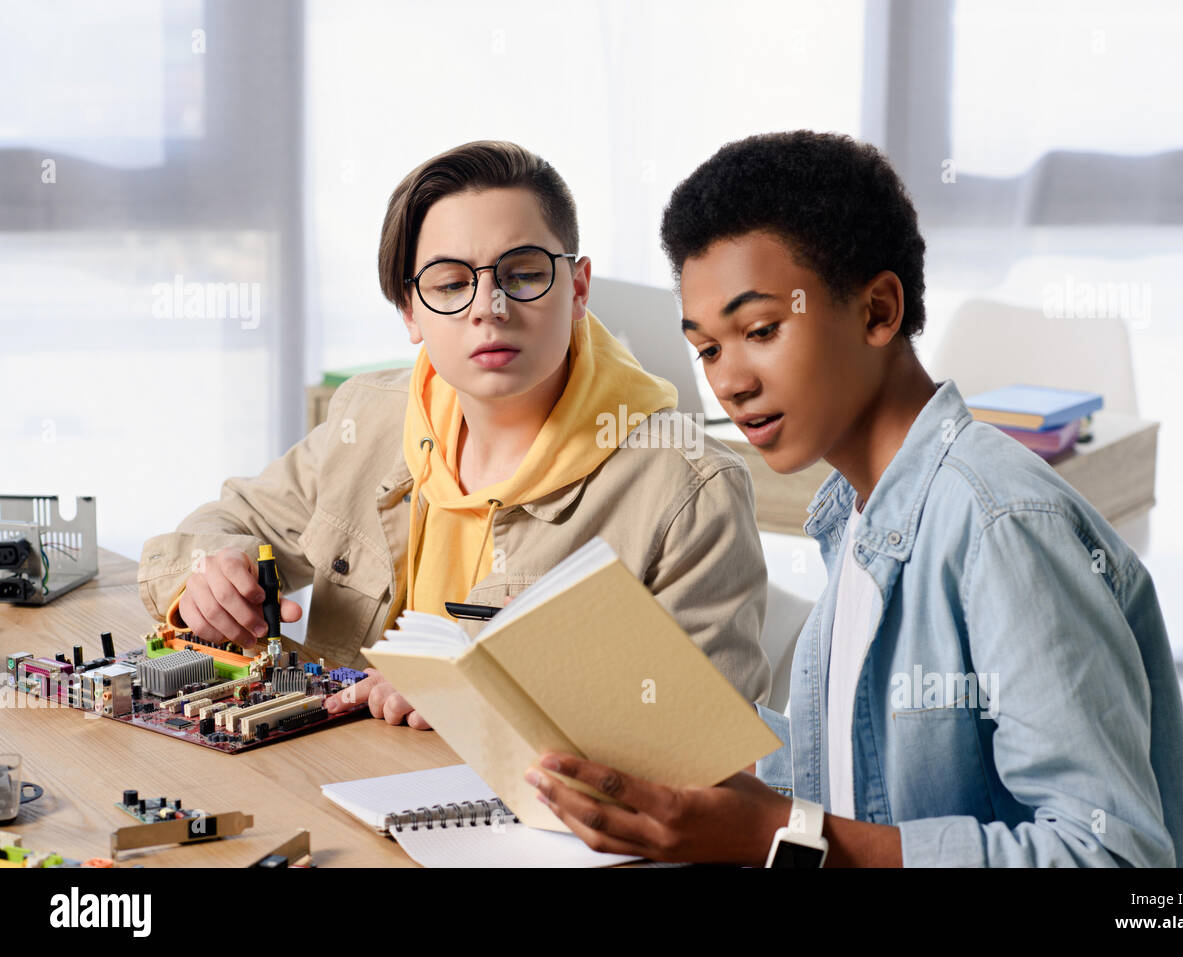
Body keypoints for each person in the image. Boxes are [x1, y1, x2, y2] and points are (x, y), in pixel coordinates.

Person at [525, 130, 1183, 867]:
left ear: (879, 310)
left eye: (760, 329)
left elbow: (1116, 857)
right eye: (709, 347)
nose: (729, 380)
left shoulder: (1000, 526)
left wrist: (776, 837)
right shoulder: (857, 515)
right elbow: (863, 778)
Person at [137, 140, 772, 728]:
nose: (487, 308)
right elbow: (208, 529)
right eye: (450, 283)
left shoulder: (690, 488)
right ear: (411, 312)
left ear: (577, 288)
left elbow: (713, 747)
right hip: (334, 794)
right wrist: (209, 577)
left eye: (522, 275)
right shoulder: (370, 419)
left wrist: (498, 698)